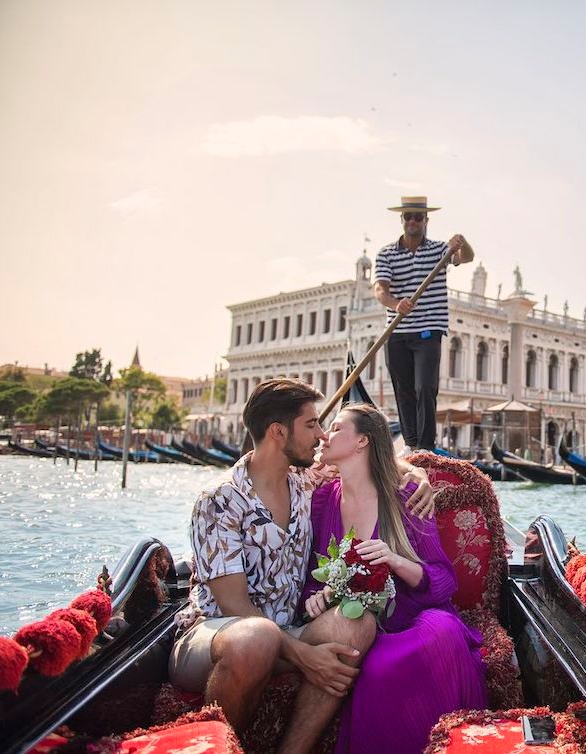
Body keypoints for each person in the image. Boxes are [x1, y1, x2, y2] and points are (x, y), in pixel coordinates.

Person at [168, 379, 435, 753]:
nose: (321, 435)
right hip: (217, 635)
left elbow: (371, 456)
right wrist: (307, 658)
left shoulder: (304, 481)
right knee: (255, 637)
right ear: (278, 432)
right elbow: (235, 609)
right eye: (311, 424)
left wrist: (416, 473)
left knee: (356, 621)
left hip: (289, 630)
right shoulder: (219, 499)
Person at [302, 403, 488, 754]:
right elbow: (313, 577)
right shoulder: (322, 501)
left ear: (362, 442)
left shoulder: (406, 497)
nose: (325, 435)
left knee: (441, 633)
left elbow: (444, 579)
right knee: (371, 665)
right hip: (358, 626)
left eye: (338, 427)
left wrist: (395, 560)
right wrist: (315, 596)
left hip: (414, 617)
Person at [374, 196, 475, 452]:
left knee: (426, 386)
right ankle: (410, 444)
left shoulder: (440, 250)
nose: (413, 221)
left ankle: (426, 446)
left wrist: (461, 242)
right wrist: (396, 304)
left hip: (429, 329)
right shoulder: (385, 254)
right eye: (408, 216)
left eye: (418, 217)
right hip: (397, 329)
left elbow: (467, 257)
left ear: (425, 221)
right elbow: (380, 290)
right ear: (402, 219)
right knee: (404, 390)